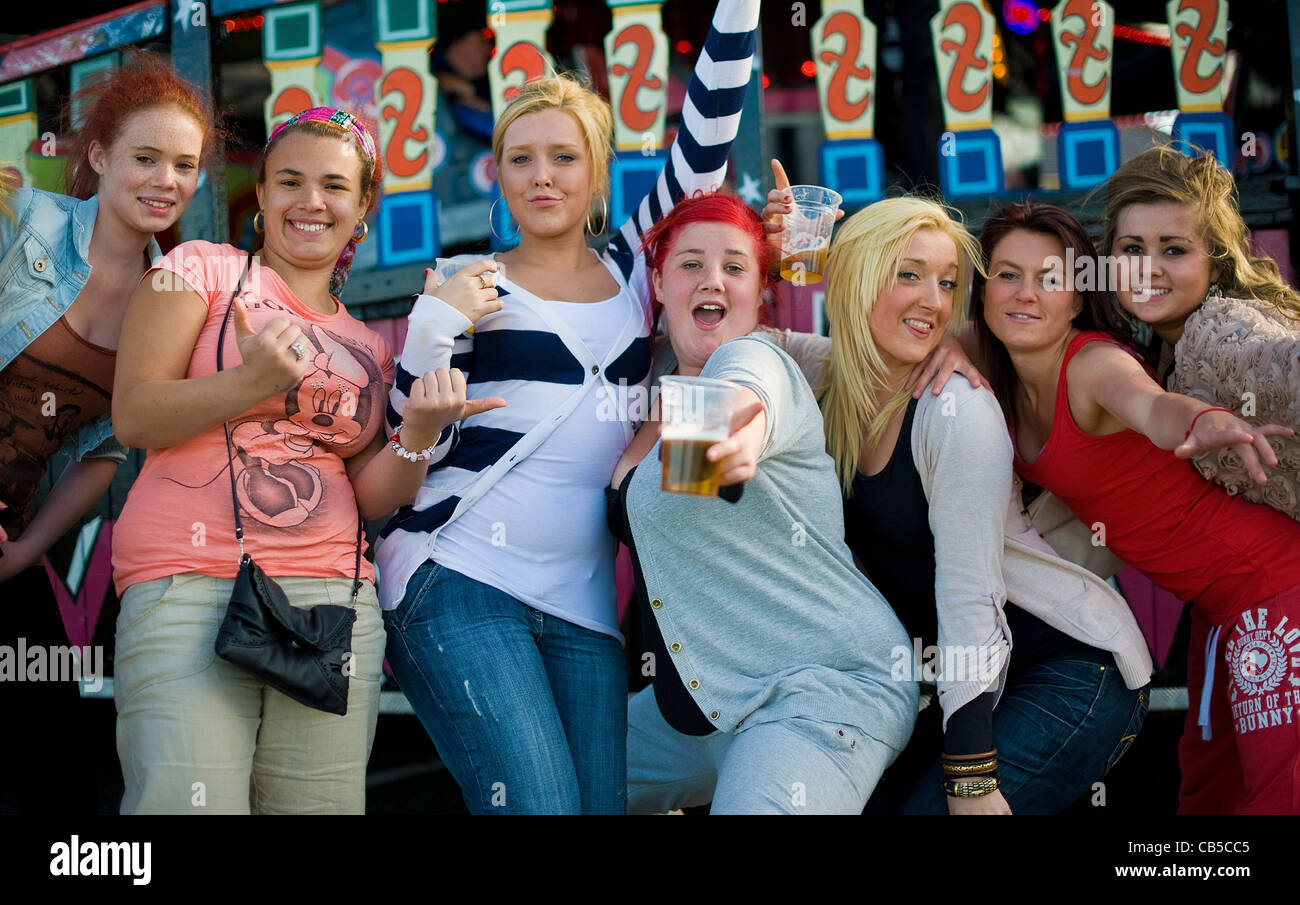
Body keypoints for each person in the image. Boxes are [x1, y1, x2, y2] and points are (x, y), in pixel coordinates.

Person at [377, 0, 760, 814]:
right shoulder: (462, 280)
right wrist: (434, 327)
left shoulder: (635, 267)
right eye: (521, 159)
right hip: (458, 571)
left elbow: (709, 127)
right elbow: (397, 452)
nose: (542, 175)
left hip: (585, 602)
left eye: (563, 156)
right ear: (499, 173)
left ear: (596, 171)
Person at [109, 107, 488, 814]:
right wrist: (247, 386)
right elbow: (133, 414)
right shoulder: (197, 269)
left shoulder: (373, 345)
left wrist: (420, 432)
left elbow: (375, 495)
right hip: (192, 584)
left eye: (334, 186)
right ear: (263, 194)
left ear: (362, 206)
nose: (311, 201)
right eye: (290, 181)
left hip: (331, 607)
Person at [762, 196, 1152, 814]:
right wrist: (771, 252)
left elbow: (969, 600)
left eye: (947, 283)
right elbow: (734, 336)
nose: (934, 301)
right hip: (967, 688)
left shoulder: (956, 409)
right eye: (909, 274)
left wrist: (971, 776)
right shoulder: (832, 378)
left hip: (1068, 672)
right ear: (858, 274)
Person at [972, 200, 1300, 814]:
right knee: (1209, 798)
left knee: (1278, 797)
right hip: (1217, 611)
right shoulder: (990, 361)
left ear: (1077, 296)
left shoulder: (1093, 364)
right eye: (1007, 274)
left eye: (1051, 278)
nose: (1025, 293)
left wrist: (1198, 418)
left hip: (1273, 587)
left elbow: (1149, 405)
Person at [609, 191, 917, 814]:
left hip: (820, 693)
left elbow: (740, 416)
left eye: (735, 266)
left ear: (758, 292)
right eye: (691, 264)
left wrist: (730, 436)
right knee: (557, 784)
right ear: (659, 285)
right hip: (704, 710)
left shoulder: (753, 359)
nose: (712, 279)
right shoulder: (647, 398)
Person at [0, 54, 213, 814]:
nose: (166, 179)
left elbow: (104, 453)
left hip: (8, 539)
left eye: (184, 165)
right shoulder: (26, 223)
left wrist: (26, 551)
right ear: (98, 157)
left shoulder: (175, 296)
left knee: (57, 751)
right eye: (145, 158)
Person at [1102, 145, 1300, 519]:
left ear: (1215, 266)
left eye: (1174, 250)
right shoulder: (1155, 339)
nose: (1148, 269)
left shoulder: (1215, 332)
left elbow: (1281, 358)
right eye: (1132, 248)